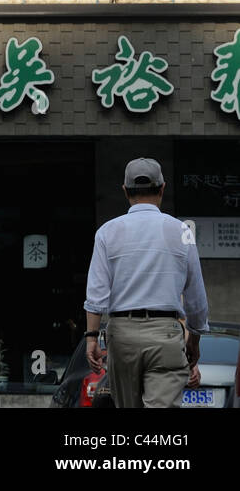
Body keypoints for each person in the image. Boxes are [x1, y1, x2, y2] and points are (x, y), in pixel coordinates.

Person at [83, 157, 209, 408]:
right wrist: (194, 340)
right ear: (162, 188)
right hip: (166, 334)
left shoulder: (107, 232)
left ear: (125, 191)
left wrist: (91, 338)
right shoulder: (182, 231)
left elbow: (96, 293)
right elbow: (196, 298)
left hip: (122, 335)